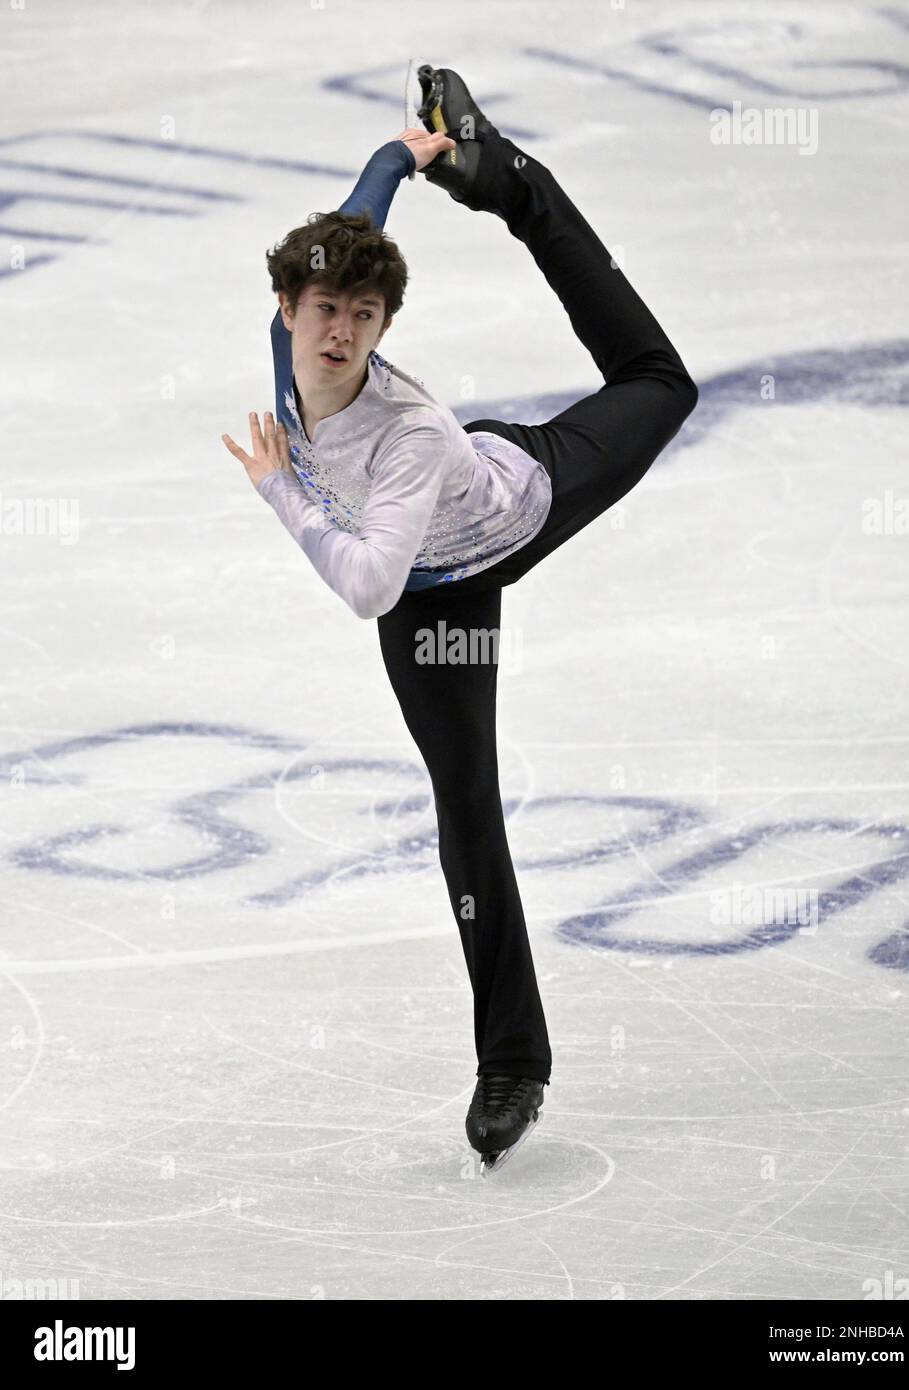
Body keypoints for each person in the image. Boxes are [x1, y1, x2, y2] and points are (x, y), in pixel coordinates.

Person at [222, 66, 699, 1168]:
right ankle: (513, 1061)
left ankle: (521, 188)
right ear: (288, 309)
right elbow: (361, 207)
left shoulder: (409, 438)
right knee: (466, 805)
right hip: (440, 597)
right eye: (324, 309)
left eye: (362, 313)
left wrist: (281, 489)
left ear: (385, 320)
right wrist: (417, 154)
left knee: (659, 382)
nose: (339, 330)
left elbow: (364, 586)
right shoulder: (296, 343)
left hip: (509, 500)